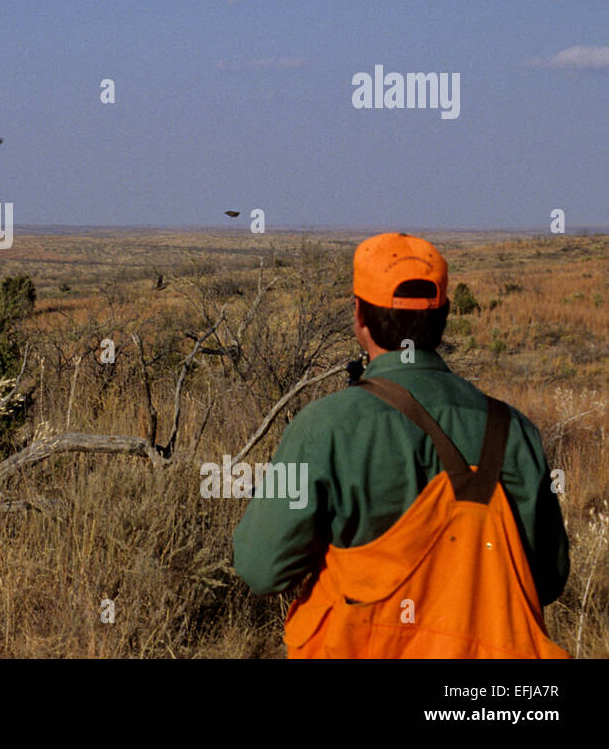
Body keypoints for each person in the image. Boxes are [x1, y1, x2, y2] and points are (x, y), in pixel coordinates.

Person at [232, 232, 569, 656]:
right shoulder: (515, 430)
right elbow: (549, 579)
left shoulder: (322, 428)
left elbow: (260, 569)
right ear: (444, 316)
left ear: (359, 316)